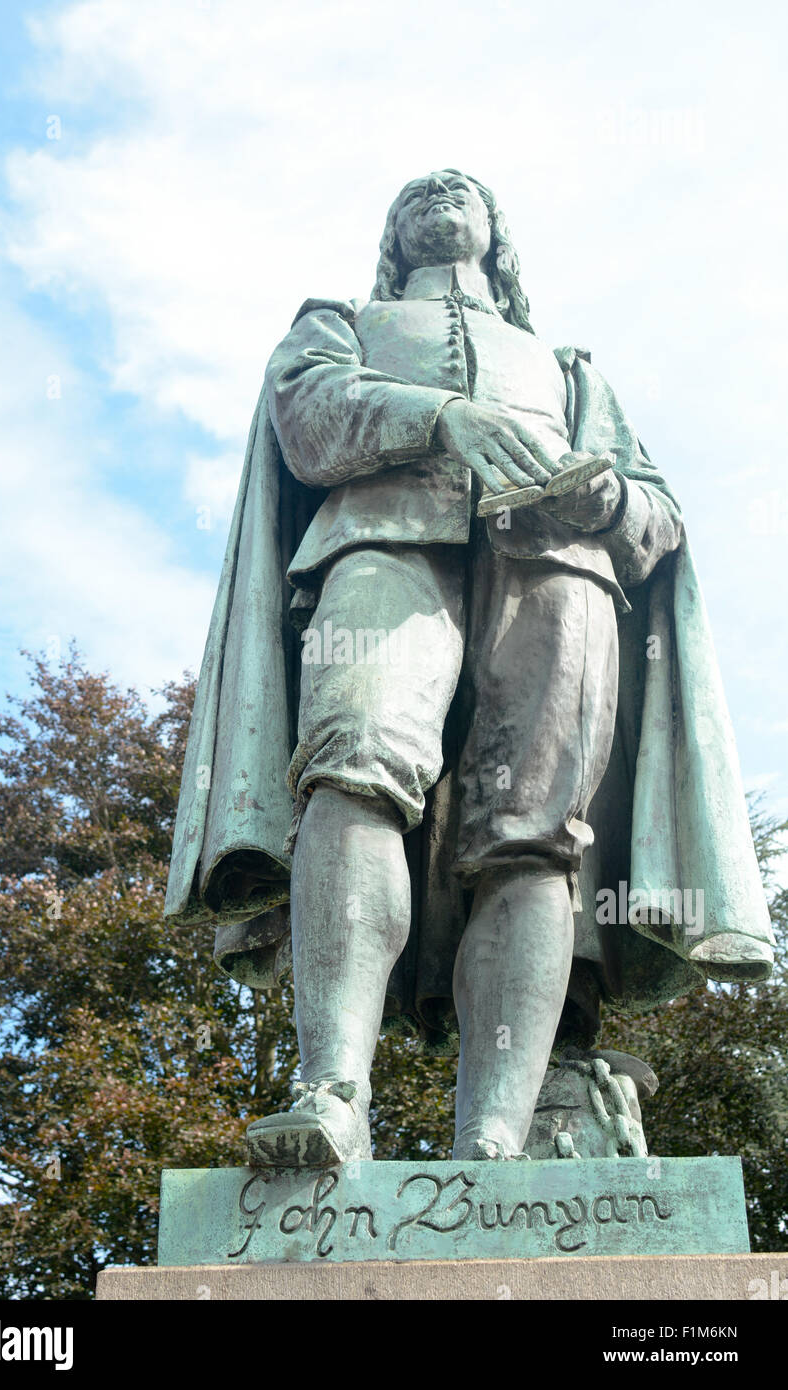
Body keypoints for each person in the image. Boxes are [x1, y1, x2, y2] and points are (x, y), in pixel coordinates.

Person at [165, 170, 774, 1168]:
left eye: (461, 188)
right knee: (351, 767)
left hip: (560, 571)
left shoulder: (570, 371)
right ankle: (331, 1091)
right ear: (388, 239)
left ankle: (496, 1135)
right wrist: (444, 421)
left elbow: (658, 514)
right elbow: (306, 415)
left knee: (534, 842)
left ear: (500, 236)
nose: (439, 190)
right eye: (412, 192)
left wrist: (606, 503)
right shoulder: (341, 323)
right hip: (383, 543)